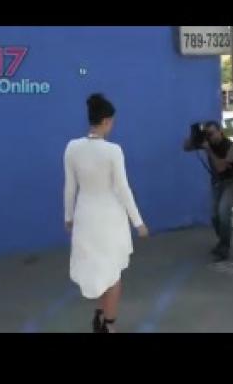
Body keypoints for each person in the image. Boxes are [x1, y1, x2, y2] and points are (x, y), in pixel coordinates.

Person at [64, 93, 149, 333]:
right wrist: (138, 222)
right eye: (112, 121)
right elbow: (123, 189)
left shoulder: (72, 147)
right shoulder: (113, 151)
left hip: (85, 217)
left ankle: (101, 315)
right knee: (112, 274)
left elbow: (70, 187)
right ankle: (107, 326)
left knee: (98, 269)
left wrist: (68, 216)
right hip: (110, 219)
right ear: (106, 121)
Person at [184, 122, 233, 261]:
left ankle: (225, 247)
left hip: (232, 182)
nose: (210, 136)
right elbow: (186, 148)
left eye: (212, 133)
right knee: (214, 216)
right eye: (208, 133)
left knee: (223, 211)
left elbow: (221, 167)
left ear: (220, 131)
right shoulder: (208, 142)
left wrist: (209, 150)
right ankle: (222, 241)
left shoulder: (230, 146)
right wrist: (195, 137)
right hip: (217, 183)